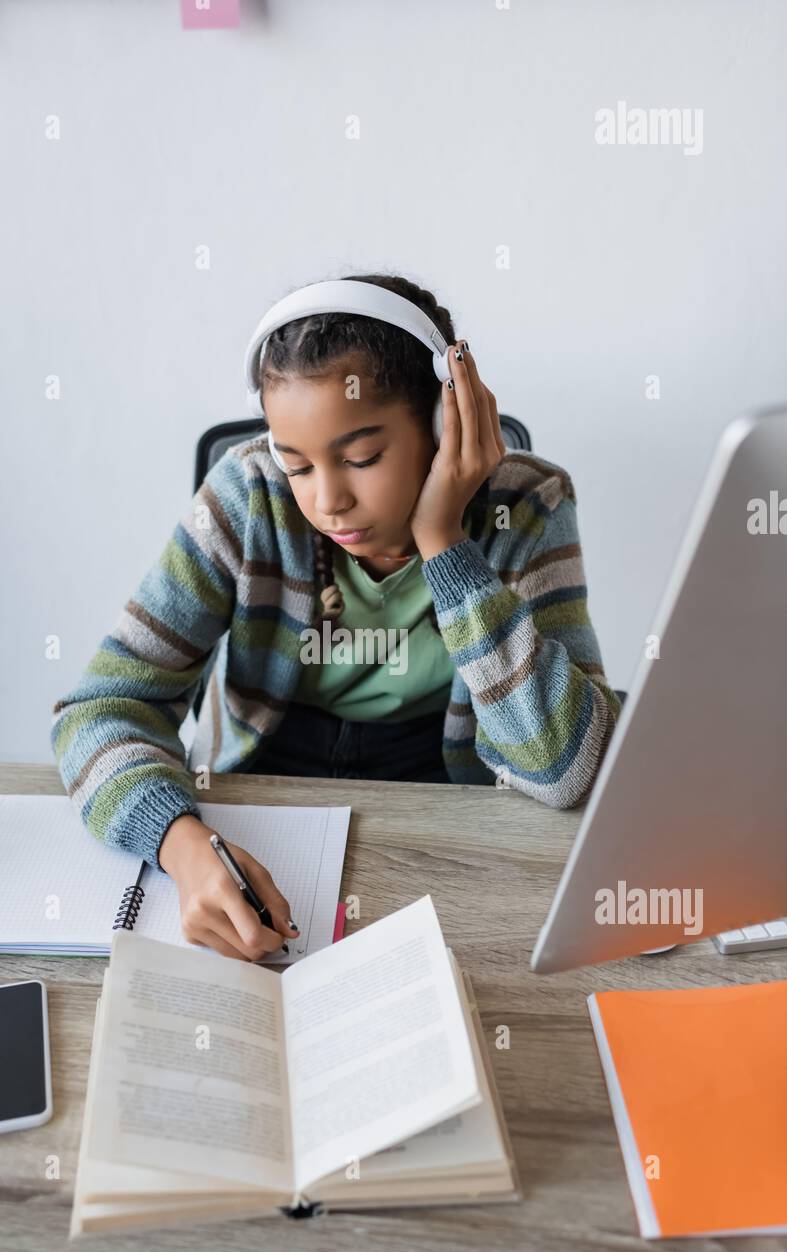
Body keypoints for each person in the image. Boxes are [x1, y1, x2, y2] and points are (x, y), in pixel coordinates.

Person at [51, 273, 622, 961]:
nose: (327, 502)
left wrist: (444, 543)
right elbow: (100, 709)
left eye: (360, 458)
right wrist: (180, 844)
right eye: (296, 465)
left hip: (441, 797)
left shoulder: (526, 506)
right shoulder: (247, 495)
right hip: (265, 784)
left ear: (444, 427)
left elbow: (566, 768)